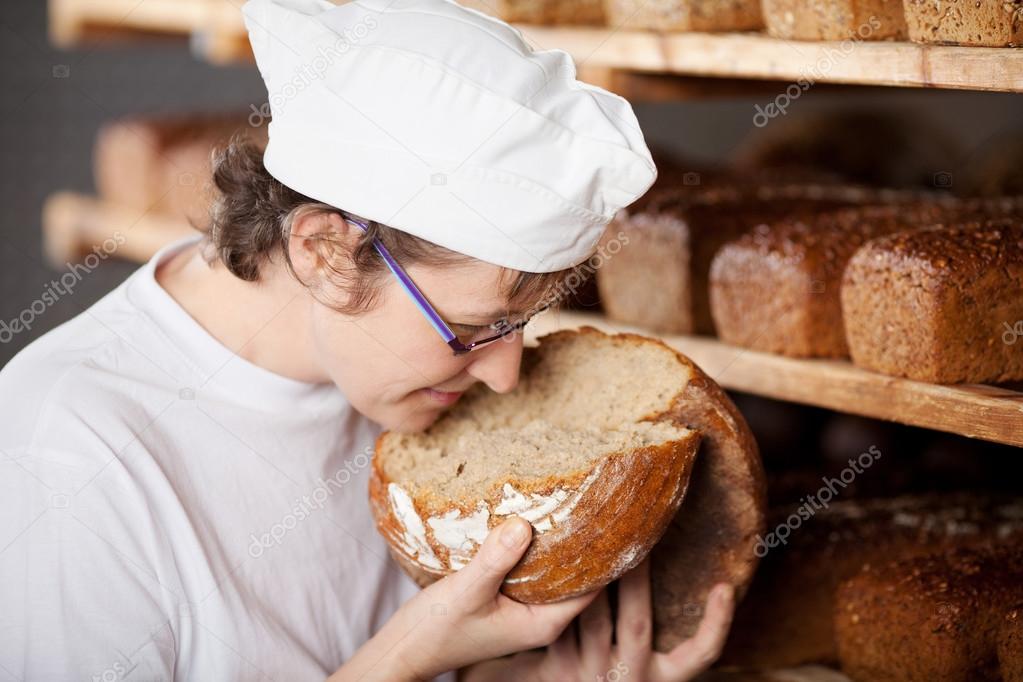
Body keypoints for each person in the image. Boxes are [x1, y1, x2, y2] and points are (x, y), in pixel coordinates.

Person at [0, 0, 736, 679]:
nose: (508, 378)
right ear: (323, 252)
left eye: (520, 328)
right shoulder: (65, 453)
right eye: (471, 329)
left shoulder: (401, 391)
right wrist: (404, 657)